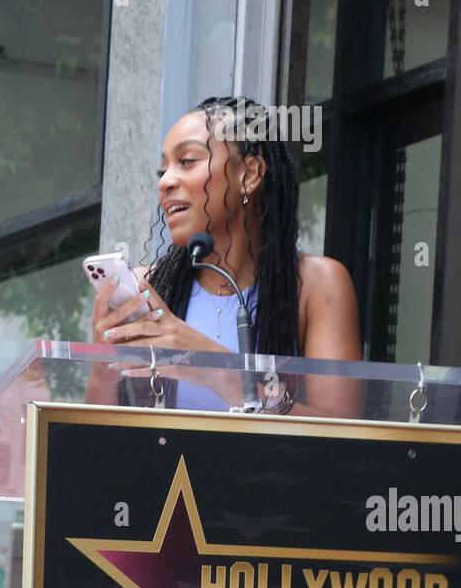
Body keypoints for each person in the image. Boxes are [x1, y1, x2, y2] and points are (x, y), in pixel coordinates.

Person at [87, 94, 362, 417]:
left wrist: (217, 371)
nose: (165, 182)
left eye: (187, 161)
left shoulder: (316, 284)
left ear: (250, 174)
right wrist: (102, 360)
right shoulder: (148, 290)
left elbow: (343, 436)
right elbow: (94, 436)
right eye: (162, 171)